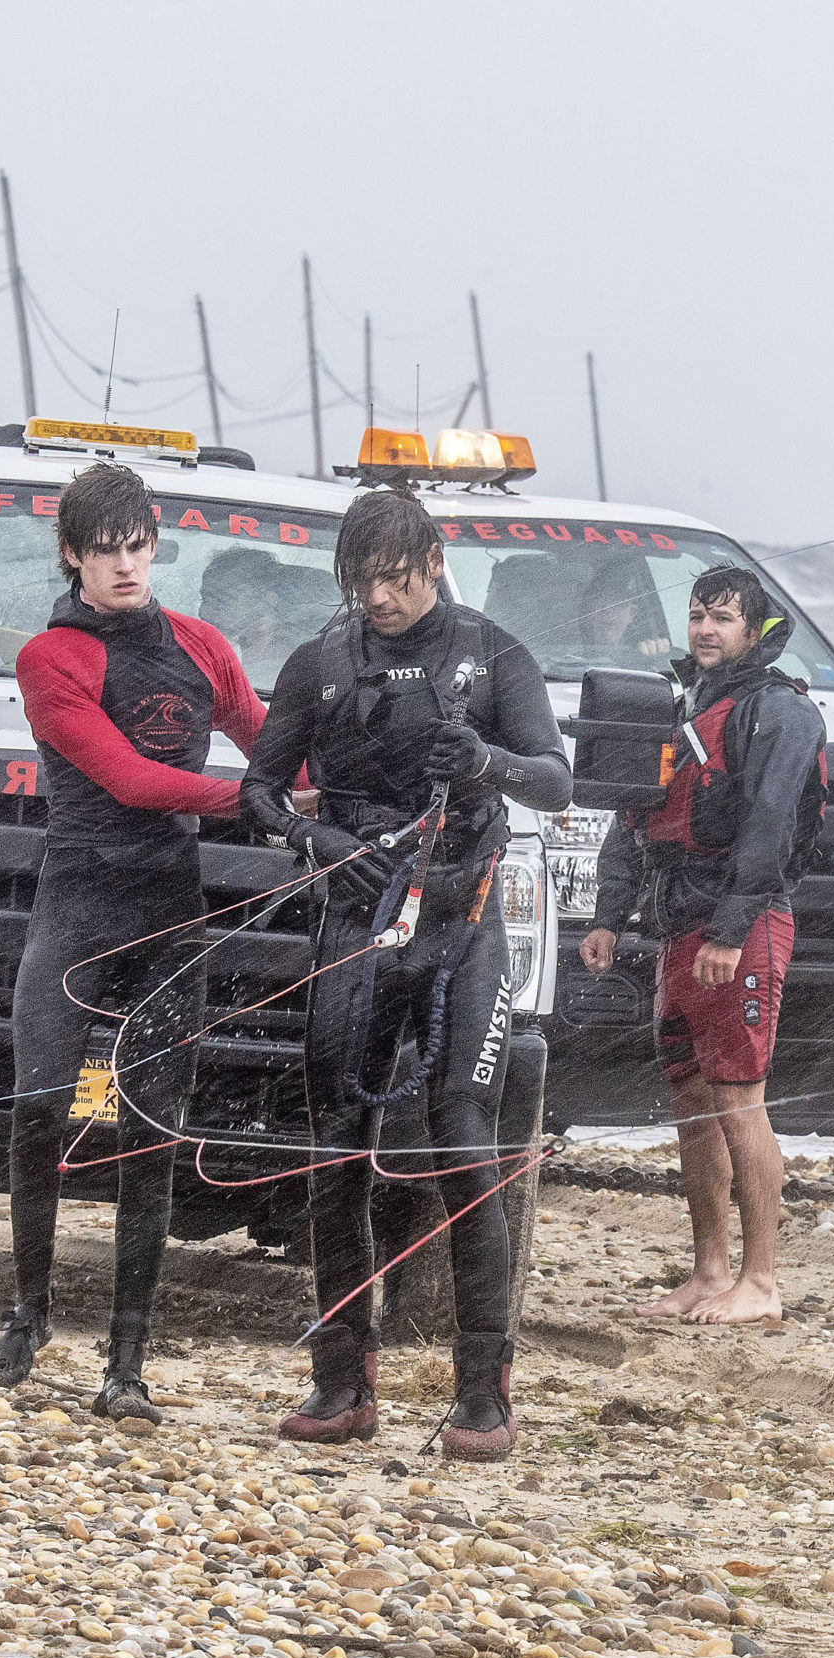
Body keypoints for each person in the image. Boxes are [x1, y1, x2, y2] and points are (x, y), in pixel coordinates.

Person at [240, 487, 573, 1460]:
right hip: (353, 921)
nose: (378, 599)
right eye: (361, 583)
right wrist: (322, 837)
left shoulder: (494, 654)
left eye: (393, 579)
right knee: (335, 1151)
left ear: (432, 561)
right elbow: (258, 788)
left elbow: (554, 782)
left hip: (461, 927)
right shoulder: (321, 664)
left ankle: (484, 1394)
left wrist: (484, 763)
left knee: (463, 1150)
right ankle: (342, 1383)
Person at [0, 460, 267, 1421]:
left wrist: (338, 783)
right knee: (39, 1109)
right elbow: (134, 779)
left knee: (152, 1129)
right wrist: (257, 800)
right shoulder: (49, 659)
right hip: (78, 902)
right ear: (72, 554)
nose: (126, 566)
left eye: (139, 545)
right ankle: (28, 1312)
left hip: (168, 911)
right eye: (106, 551)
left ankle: (128, 1360)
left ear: (155, 542)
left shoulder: (200, 646)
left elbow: (272, 741)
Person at [580, 566, 827, 1326]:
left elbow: (770, 827)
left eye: (722, 618)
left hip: (740, 926)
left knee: (738, 1099)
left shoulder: (779, 712)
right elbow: (633, 815)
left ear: (755, 631)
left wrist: (728, 930)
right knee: (692, 1099)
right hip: (676, 925)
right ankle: (708, 1270)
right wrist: (607, 915)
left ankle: (760, 1281)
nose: (706, 630)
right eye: (697, 615)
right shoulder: (678, 701)